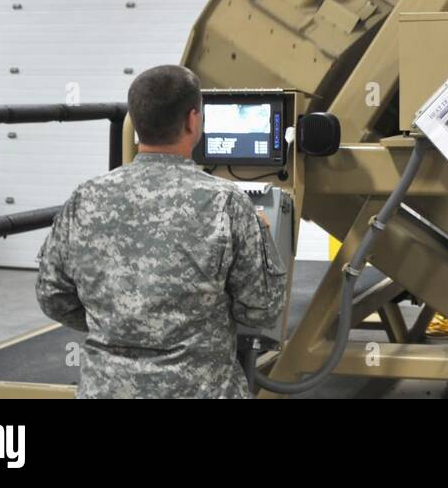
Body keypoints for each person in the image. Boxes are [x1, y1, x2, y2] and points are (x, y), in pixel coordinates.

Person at [36, 64, 287, 398]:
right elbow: (264, 307)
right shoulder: (228, 204)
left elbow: (52, 295)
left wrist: (119, 326)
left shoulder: (86, 197)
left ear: (137, 123)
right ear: (192, 120)